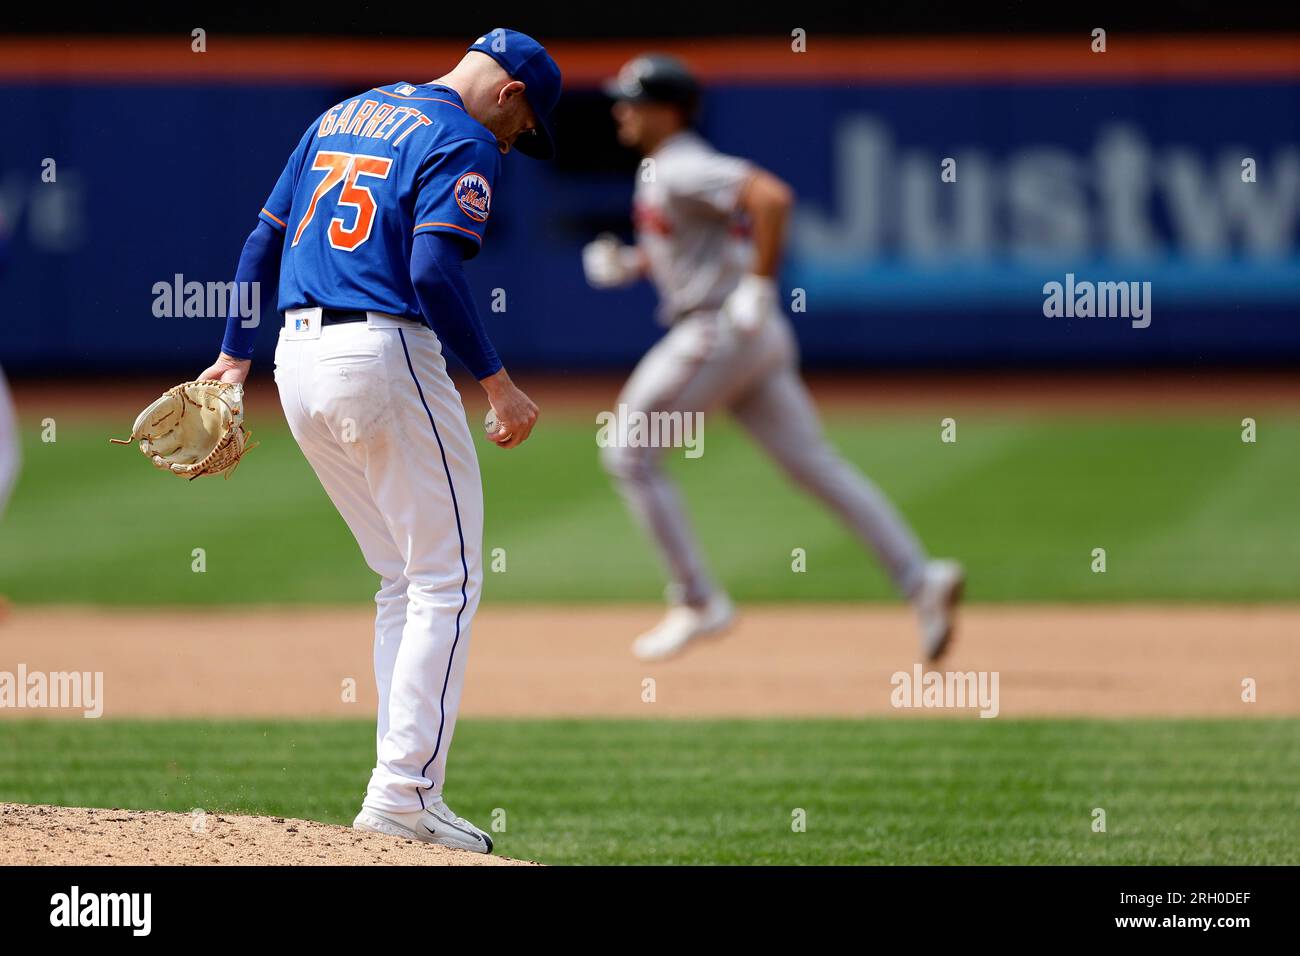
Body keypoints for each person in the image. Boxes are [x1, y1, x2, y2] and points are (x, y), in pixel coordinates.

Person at [199, 29, 561, 853]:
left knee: (403, 578)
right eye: (524, 126)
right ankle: (405, 794)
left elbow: (261, 243)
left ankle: (395, 794)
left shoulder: (345, 111)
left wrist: (231, 355)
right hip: (382, 353)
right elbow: (433, 269)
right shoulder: (466, 136)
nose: (515, 142)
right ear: (509, 95)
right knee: (450, 579)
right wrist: (497, 383)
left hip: (296, 360)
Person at [583, 54, 963, 663]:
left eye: (634, 100)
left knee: (627, 452)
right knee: (815, 465)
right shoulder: (662, 169)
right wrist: (633, 264)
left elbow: (772, 198)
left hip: (717, 329)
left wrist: (760, 281)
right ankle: (920, 578)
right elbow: (696, 245)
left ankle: (699, 599)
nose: (622, 111)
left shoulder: (683, 163)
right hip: (749, 334)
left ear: (669, 110)